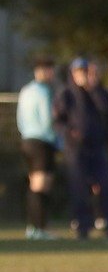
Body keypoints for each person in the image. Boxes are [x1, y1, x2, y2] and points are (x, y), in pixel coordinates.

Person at [53, 56, 108, 239]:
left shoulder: (101, 93)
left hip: (98, 147)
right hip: (76, 149)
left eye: (86, 72)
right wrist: (71, 133)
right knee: (79, 188)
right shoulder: (67, 94)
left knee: (106, 185)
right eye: (79, 72)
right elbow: (58, 121)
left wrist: (93, 89)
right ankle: (82, 227)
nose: (83, 76)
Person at [16, 57, 59, 239]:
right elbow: (48, 119)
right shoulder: (44, 92)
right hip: (42, 141)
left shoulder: (25, 90)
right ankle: (38, 228)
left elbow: (20, 119)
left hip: (27, 140)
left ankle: (35, 227)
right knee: (40, 185)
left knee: (36, 183)